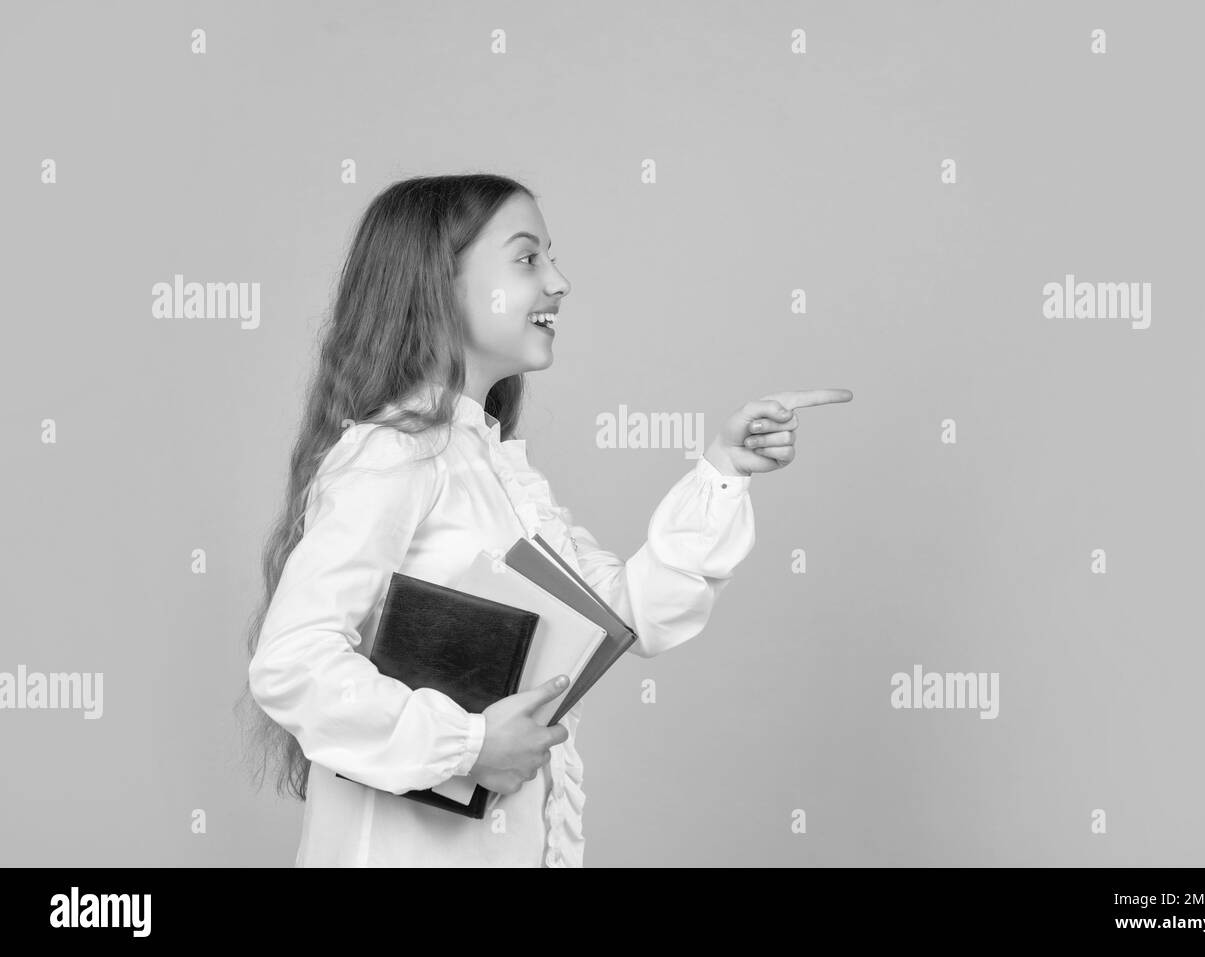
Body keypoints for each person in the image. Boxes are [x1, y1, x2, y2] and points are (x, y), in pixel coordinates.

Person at [236, 173, 852, 866]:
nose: (558, 282)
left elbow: (626, 616)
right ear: (440, 282)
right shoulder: (393, 452)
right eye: (528, 258)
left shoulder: (495, 468)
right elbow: (292, 663)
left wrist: (721, 472)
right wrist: (470, 743)